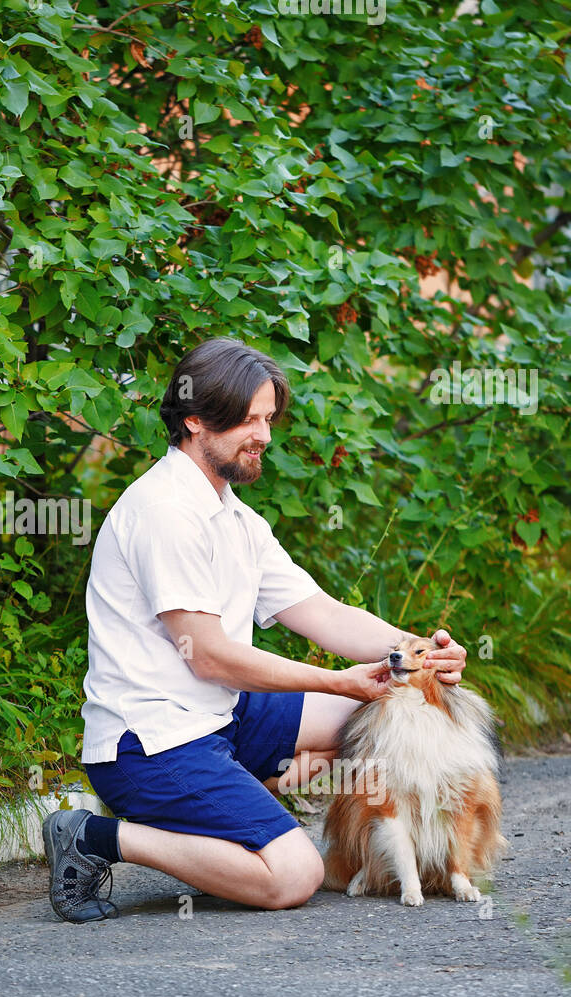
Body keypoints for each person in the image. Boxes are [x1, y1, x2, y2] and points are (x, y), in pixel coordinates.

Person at [43, 337, 468, 922]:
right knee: (295, 876)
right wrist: (336, 681)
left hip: (220, 715)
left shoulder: (233, 515)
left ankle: (239, 819)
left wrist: (419, 652)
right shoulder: (165, 512)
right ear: (195, 419)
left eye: (267, 419)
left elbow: (320, 612)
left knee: (383, 707)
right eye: (248, 420)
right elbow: (211, 658)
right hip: (152, 743)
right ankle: (94, 837)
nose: (264, 435)